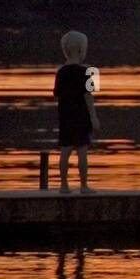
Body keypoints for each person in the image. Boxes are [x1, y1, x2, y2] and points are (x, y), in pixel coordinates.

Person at [54, 30, 99, 194]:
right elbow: (89, 96)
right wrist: (94, 117)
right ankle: (84, 185)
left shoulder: (60, 71)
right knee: (82, 150)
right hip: (81, 116)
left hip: (65, 116)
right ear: (82, 49)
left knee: (65, 150)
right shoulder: (88, 71)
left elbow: (57, 94)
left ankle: (64, 185)